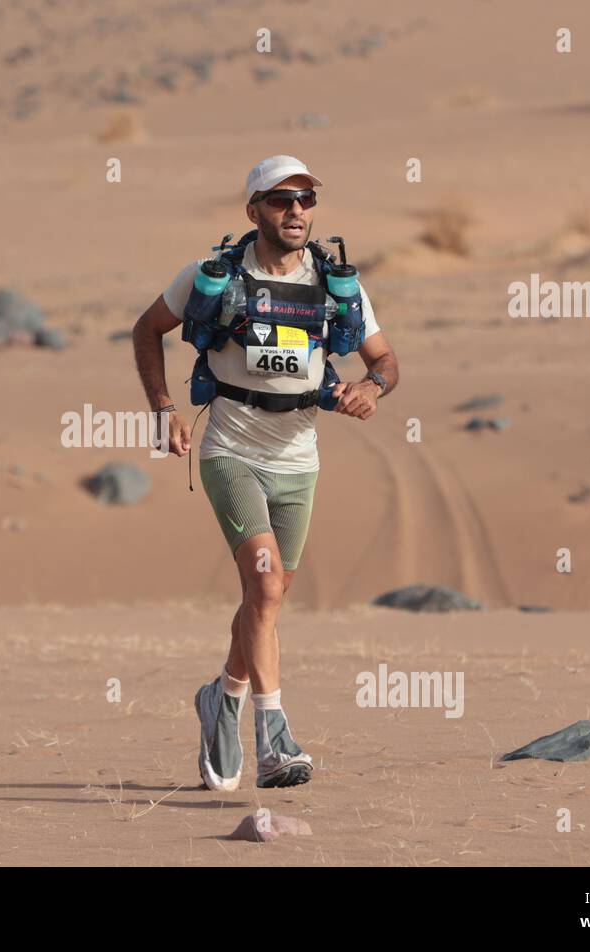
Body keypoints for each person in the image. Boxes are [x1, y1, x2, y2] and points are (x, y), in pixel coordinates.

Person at [131, 155, 399, 790]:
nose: (297, 211)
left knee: (265, 600)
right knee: (267, 588)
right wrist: (164, 409)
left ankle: (220, 698)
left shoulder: (339, 286)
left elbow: (385, 360)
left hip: (299, 462)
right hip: (230, 449)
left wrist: (373, 388)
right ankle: (274, 739)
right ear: (253, 210)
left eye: (306, 199)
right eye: (281, 200)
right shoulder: (211, 278)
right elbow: (147, 331)